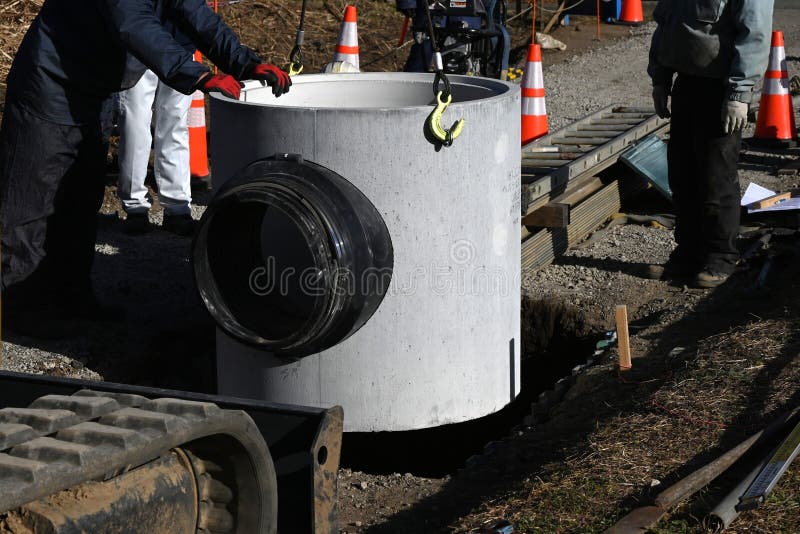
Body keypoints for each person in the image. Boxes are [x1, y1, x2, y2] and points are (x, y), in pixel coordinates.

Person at [0, 0, 291, 333]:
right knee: (32, 205)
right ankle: (23, 312)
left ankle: (71, 300)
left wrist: (245, 64)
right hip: (48, 87)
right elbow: (132, 23)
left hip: (93, 92)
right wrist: (198, 75)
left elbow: (197, 15)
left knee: (79, 204)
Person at [646, 0, 774, 288]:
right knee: (683, 175)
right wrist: (660, 78)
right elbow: (666, 24)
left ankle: (721, 255)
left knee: (716, 178)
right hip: (686, 84)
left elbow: (754, 32)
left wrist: (739, 94)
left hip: (720, 90)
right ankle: (689, 252)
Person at [116, 64, 195, 236]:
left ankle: (176, 207)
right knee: (134, 126)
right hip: (139, 48)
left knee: (174, 125)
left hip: (178, 47)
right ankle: (136, 206)